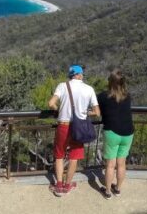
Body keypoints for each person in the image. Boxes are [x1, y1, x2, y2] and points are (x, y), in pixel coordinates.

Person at [47, 64, 99, 197]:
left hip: (63, 125)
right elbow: (97, 112)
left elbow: (51, 103)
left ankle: (58, 185)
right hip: (79, 127)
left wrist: (59, 110)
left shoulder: (62, 86)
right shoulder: (89, 89)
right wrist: (84, 113)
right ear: (80, 75)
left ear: (70, 75)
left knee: (59, 155)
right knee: (74, 157)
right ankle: (67, 185)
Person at [96, 69, 134, 199]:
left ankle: (107, 191)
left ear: (110, 82)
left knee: (110, 164)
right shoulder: (127, 96)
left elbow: (96, 111)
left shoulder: (102, 96)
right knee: (121, 164)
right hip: (128, 132)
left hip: (112, 132)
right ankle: (117, 189)